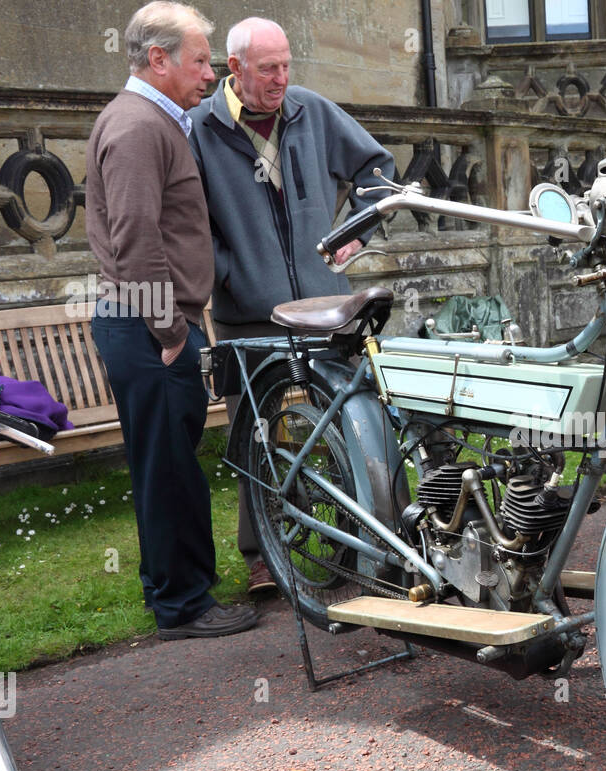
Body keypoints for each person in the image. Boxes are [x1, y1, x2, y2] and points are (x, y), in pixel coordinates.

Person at [188, 16, 395, 596]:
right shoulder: (199, 130)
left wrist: (359, 231)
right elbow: (187, 222)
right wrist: (229, 273)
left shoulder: (311, 110)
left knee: (345, 421)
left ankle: (357, 539)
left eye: (285, 66)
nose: (281, 79)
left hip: (325, 308)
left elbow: (378, 171)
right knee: (255, 432)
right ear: (235, 69)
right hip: (246, 314)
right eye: (267, 69)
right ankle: (261, 555)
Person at [85, 1, 257, 640]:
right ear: (158, 60)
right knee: (167, 470)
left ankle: (181, 593)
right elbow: (134, 239)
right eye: (200, 60)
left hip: (151, 322)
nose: (211, 74)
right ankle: (182, 605)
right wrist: (170, 332)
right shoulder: (137, 127)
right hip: (147, 326)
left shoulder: (153, 120)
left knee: (172, 464)